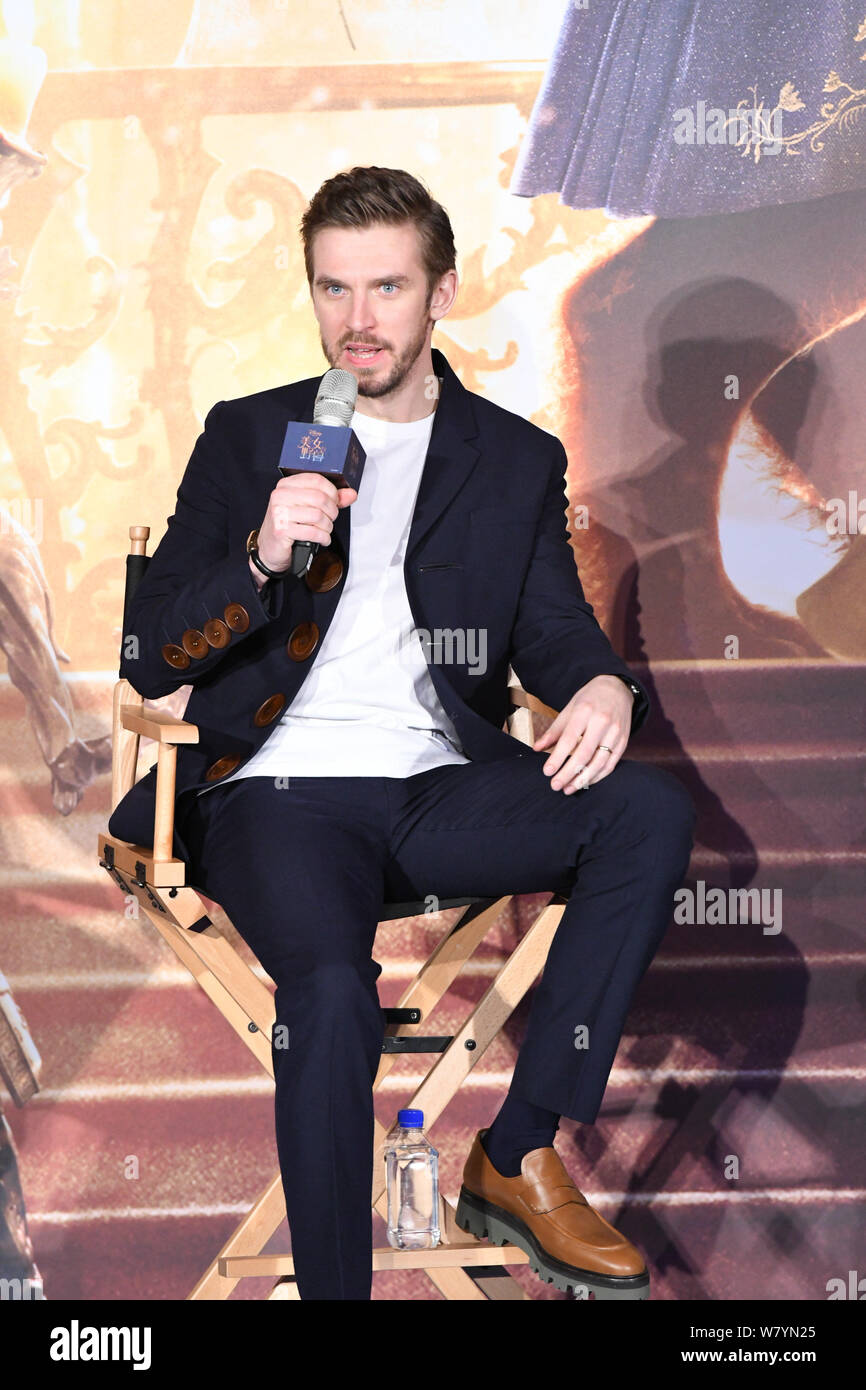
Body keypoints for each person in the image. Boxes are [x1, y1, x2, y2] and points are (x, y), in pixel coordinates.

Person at [108, 166, 695, 1300]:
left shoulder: (510, 457)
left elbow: (553, 631)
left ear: (441, 292)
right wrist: (258, 558)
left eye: (385, 287)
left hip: (434, 788)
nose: (356, 320)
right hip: (273, 793)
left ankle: (518, 1149)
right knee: (328, 993)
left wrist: (605, 687)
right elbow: (150, 656)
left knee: (644, 811)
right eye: (333, 288)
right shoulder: (249, 437)